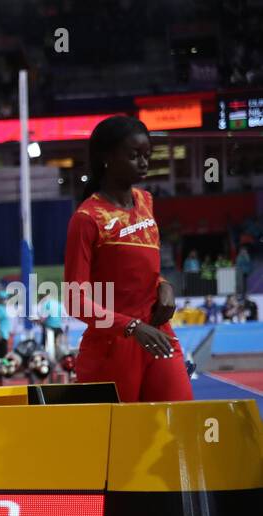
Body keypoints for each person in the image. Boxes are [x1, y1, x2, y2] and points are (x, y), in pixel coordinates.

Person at [64, 115, 191, 402]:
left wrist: (165, 285)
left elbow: (139, 269)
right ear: (106, 158)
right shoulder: (87, 219)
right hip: (111, 348)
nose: (144, 163)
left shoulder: (146, 200)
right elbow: (74, 299)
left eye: (147, 155)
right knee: (121, 443)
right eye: (134, 156)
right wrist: (131, 327)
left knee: (180, 425)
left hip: (157, 334)